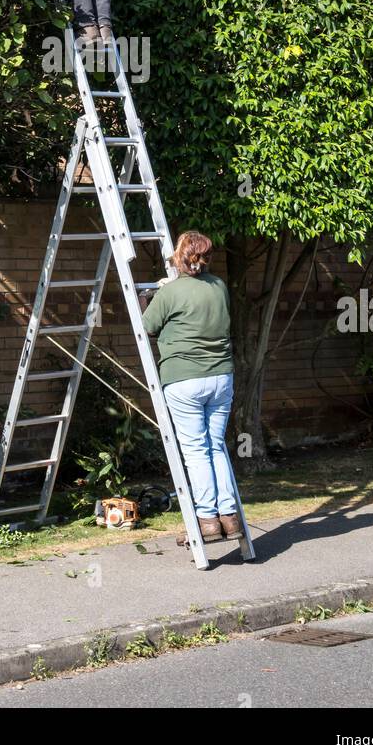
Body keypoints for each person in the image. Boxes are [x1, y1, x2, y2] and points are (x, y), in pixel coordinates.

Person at [141, 231, 244, 546]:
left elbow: (146, 326)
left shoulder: (170, 293)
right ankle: (229, 517)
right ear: (206, 258)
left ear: (179, 257)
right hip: (221, 378)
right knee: (216, 447)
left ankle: (207, 520)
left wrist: (149, 297)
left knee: (196, 451)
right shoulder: (219, 287)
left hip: (185, 379)